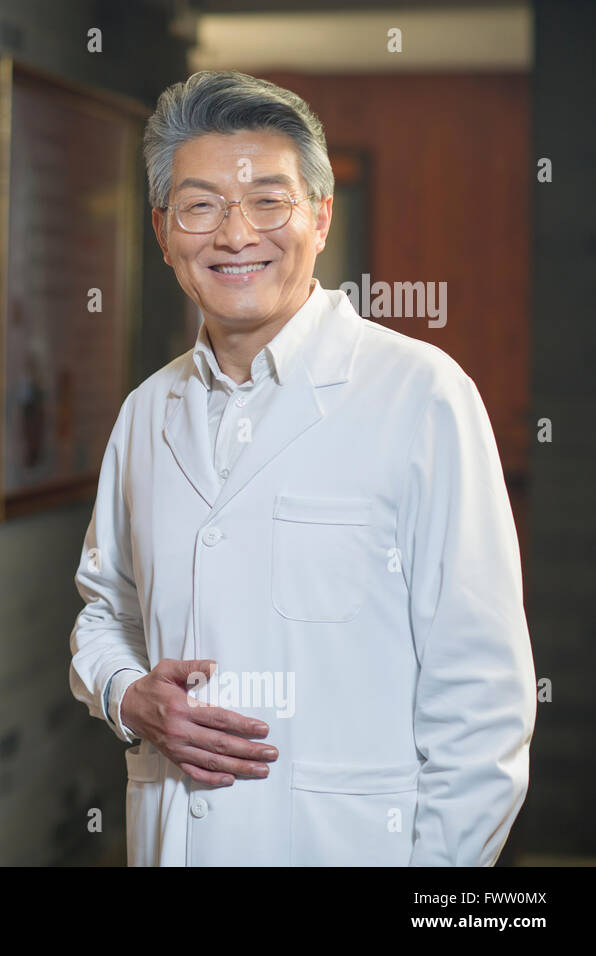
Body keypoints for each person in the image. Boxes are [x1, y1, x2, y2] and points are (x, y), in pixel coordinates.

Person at [68, 71, 536, 866]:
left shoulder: (421, 396)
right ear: (162, 229)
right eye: (201, 204)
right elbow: (104, 612)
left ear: (319, 217)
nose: (235, 234)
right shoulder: (148, 412)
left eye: (268, 201)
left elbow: (483, 701)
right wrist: (126, 693)